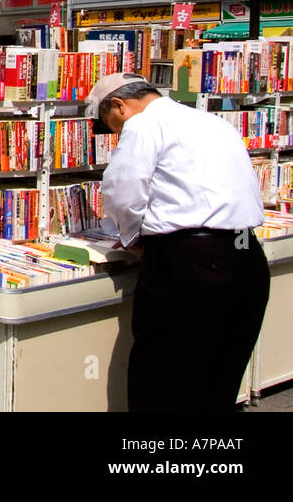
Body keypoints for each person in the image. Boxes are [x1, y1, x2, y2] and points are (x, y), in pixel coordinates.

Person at [86, 74, 268, 412]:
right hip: (246, 254)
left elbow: (123, 190)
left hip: (191, 261)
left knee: (164, 375)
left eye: (108, 124)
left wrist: (132, 237)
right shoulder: (213, 122)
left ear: (118, 106)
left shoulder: (142, 125)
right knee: (219, 373)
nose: (112, 133)